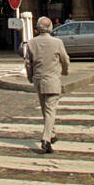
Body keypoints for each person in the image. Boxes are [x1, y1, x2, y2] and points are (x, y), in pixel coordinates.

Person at [24, 16, 69, 153]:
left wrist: (30, 77)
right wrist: (65, 71)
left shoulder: (31, 43)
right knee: (50, 109)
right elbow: (65, 59)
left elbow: (27, 63)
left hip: (38, 79)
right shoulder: (57, 42)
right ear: (50, 28)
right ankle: (46, 139)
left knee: (46, 108)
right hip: (52, 79)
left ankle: (52, 133)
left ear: (38, 28)